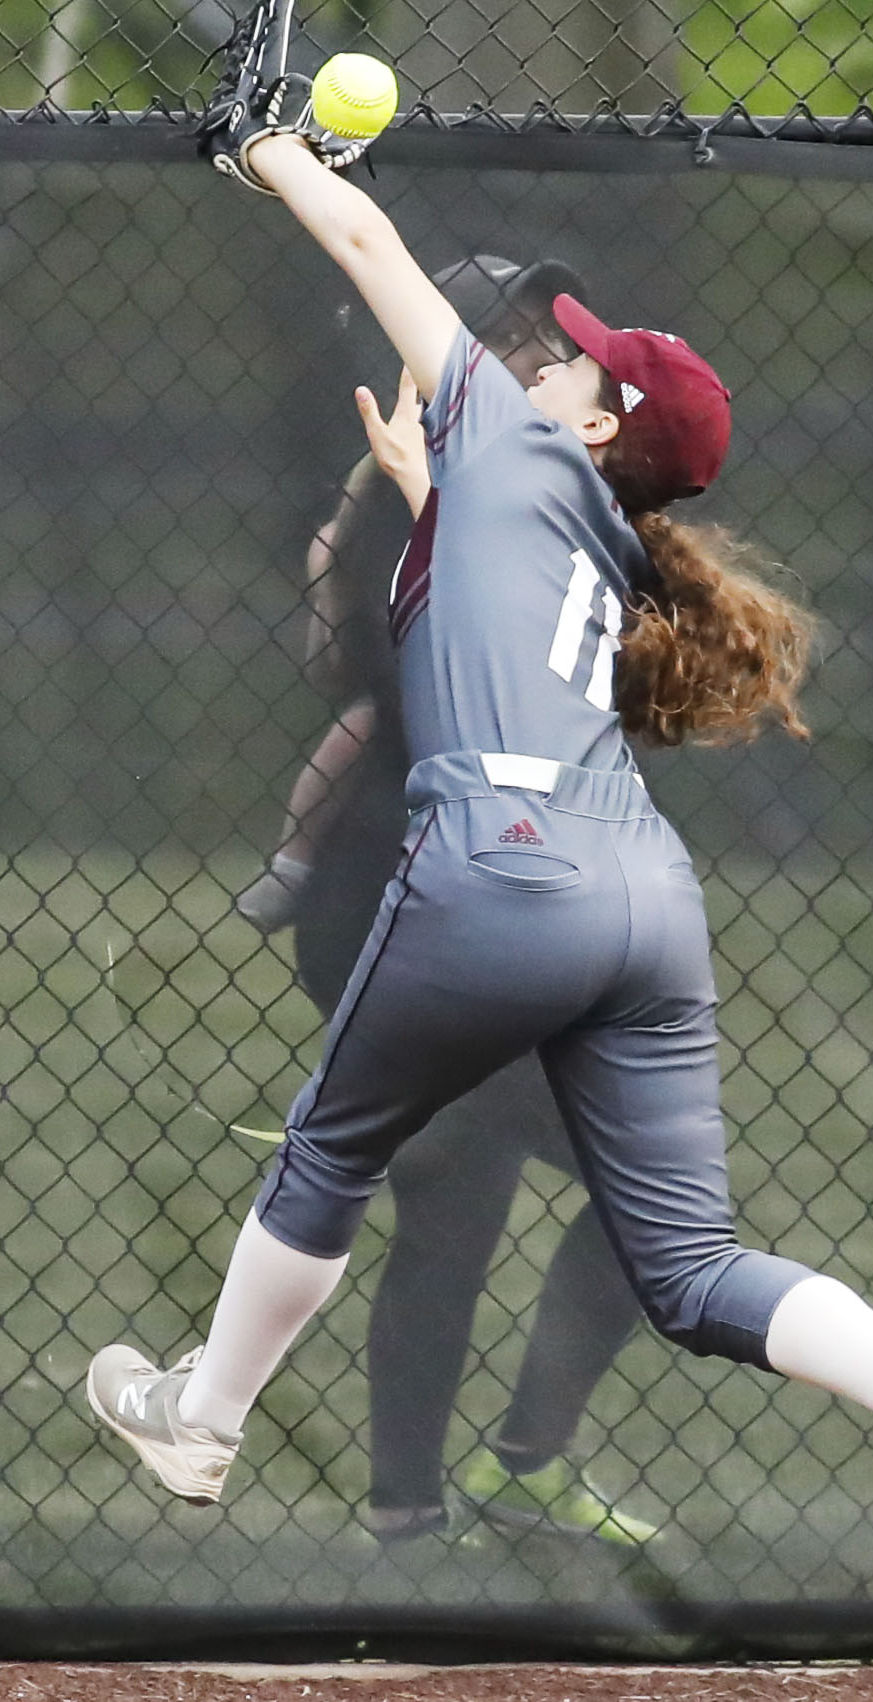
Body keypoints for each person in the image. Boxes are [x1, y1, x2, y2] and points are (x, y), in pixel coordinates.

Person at [88, 123, 873, 1610]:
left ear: (595, 429)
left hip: (495, 864)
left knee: (326, 1150)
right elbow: (474, 583)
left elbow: (366, 251)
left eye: (575, 363)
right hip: (642, 902)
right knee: (690, 1267)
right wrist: (423, 486)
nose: (541, 358)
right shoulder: (594, 531)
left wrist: (269, 150)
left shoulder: (514, 442)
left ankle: (199, 1424)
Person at [251, 253, 664, 1552]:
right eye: (507, 334)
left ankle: (447, 1494)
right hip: (408, 900)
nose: (540, 353)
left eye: (544, 335)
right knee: (518, 1181)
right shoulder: (408, 496)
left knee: (548, 1187)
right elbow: (392, 673)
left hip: (501, 903)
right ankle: (454, 1491)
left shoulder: (537, 492)